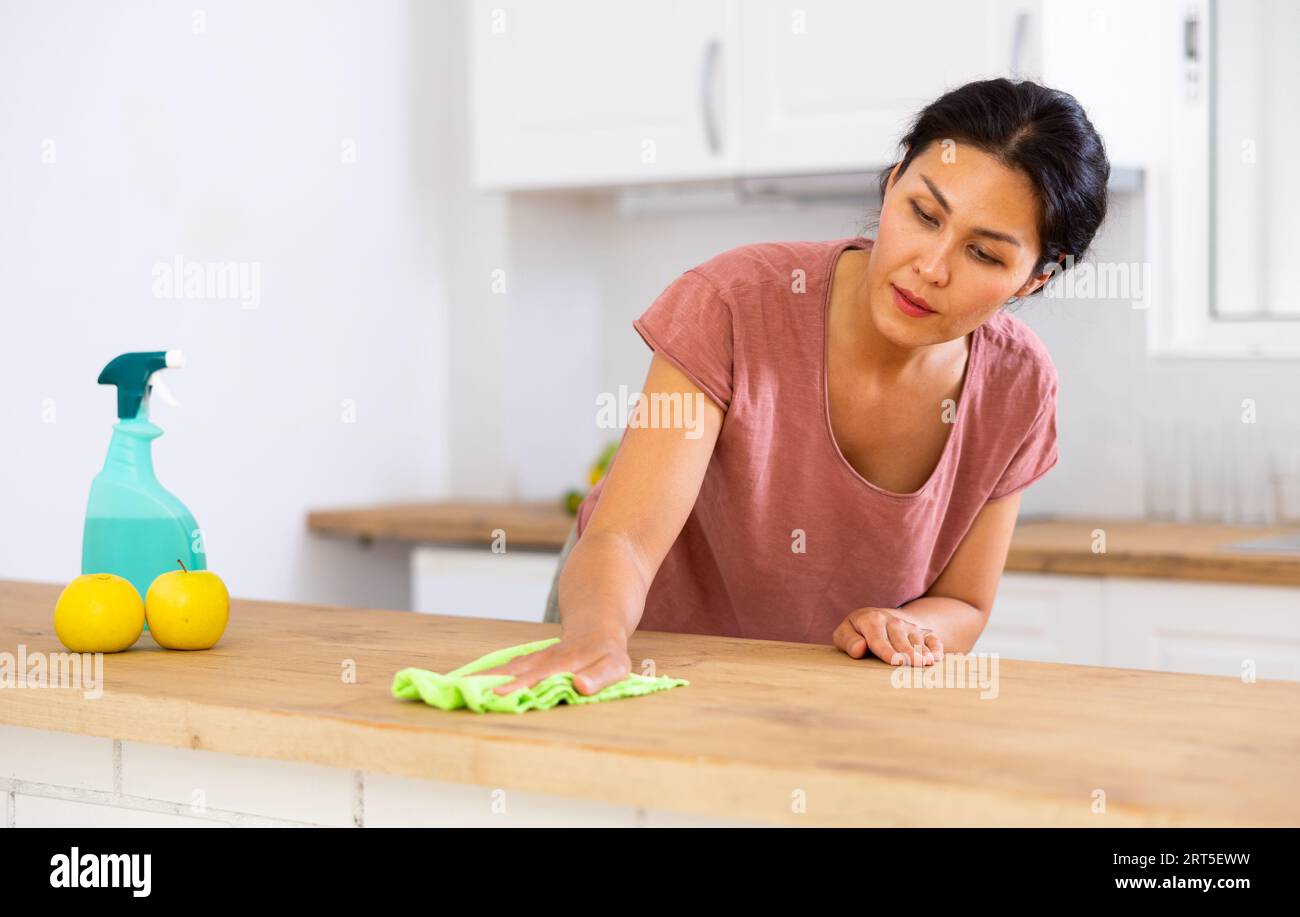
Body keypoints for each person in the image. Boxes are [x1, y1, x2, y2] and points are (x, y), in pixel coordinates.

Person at [481, 77, 1110, 697]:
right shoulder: (732, 304)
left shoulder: (1018, 386)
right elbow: (623, 539)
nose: (931, 266)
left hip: (820, 688)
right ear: (893, 184)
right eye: (923, 214)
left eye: (984, 254)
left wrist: (909, 626)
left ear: (1035, 279)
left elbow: (964, 603)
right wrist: (598, 639)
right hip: (639, 650)